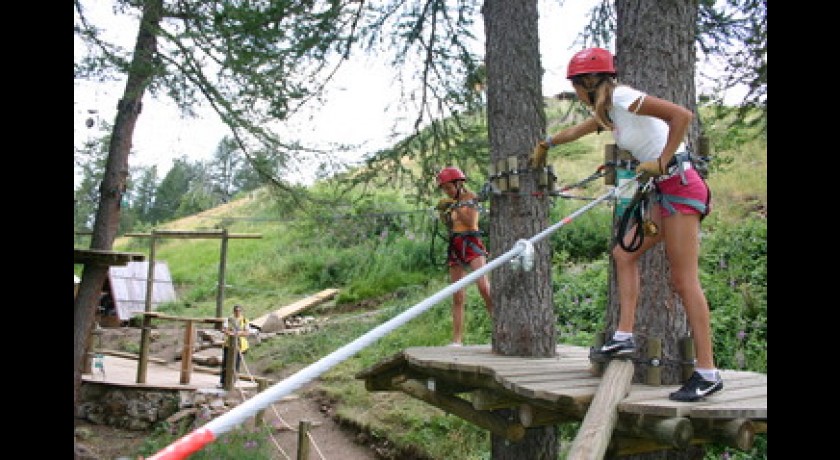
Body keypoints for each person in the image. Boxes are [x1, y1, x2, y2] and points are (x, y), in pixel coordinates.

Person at [530, 47, 721, 402]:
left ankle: (707, 372)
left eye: (576, 85)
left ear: (590, 81)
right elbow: (578, 130)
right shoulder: (609, 111)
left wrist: (661, 162)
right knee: (623, 253)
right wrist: (547, 144)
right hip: (665, 192)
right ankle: (623, 336)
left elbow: (681, 116)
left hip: (680, 187)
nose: (575, 92)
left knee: (684, 281)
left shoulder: (623, 97)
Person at [435, 166, 494, 346]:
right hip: (456, 244)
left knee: (484, 287)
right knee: (457, 294)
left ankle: (499, 328)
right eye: (444, 189)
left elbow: (471, 222)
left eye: (449, 187)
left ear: (458, 184)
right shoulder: (451, 201)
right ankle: (457, 340)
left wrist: (456, 208)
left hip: (471, 243)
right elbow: (452, 226)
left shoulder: (470, 198)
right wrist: (445, 214)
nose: (447, 191)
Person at [219, 304, 250, 386]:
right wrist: (230, 333)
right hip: (228, 344)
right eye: (236, 311)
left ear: (241, 311)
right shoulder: (229, 320)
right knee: (225, 363)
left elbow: (247, 332)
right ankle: (223, 381)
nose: (237, 312)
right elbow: (224, 330)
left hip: (240, 345)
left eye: (239, 311)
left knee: (236, 364)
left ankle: (233, 381)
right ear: (233, 311)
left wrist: (238, 333)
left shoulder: (245, 320)